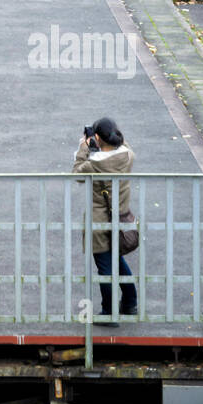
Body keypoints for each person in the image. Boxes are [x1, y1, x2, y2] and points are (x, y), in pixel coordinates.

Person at [73, 117, 137, 320]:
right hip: (121, 216)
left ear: (98, 138)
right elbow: (121, 146)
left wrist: (84, 147)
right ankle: (129, 303)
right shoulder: (128, 155)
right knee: (117, 260)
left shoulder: (95, 163)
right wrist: (101, 142)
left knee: (105, 268)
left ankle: (109, 312)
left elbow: (76, 173)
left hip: (99, 221)